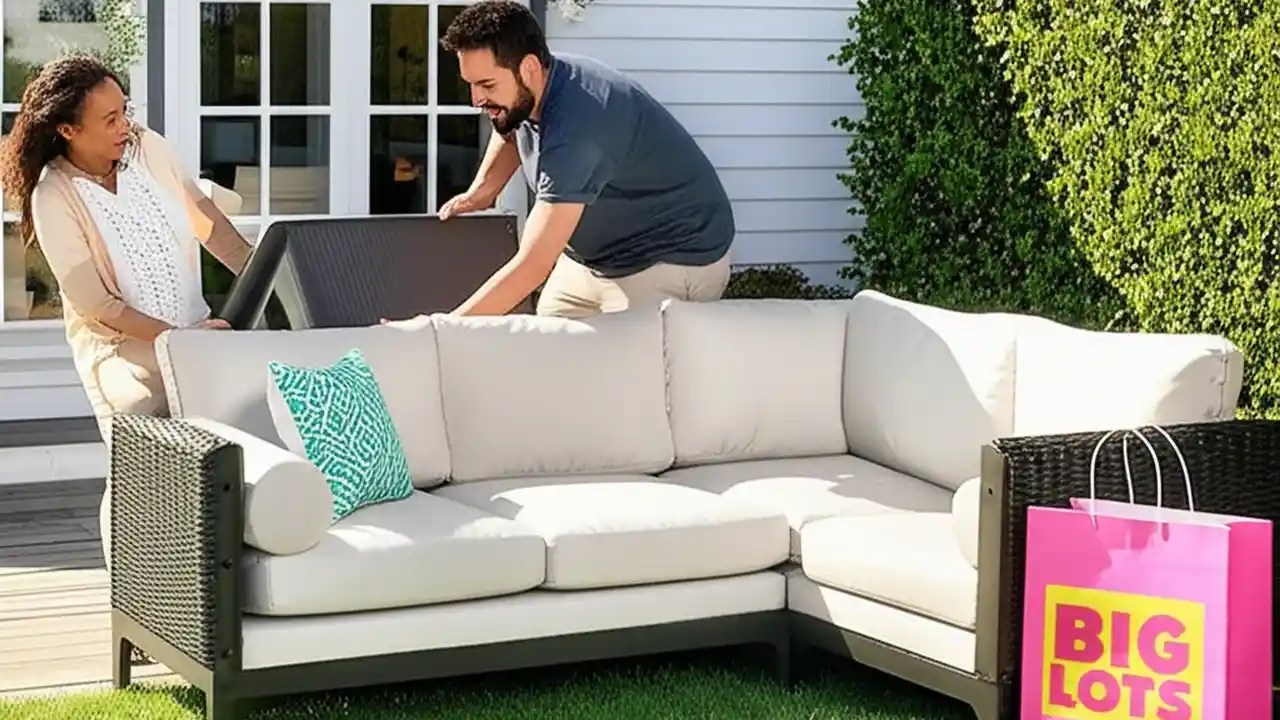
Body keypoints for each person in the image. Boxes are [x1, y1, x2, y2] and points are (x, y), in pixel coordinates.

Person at [0, 55, 253, 587]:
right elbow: (98, 305)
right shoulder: (55, 195)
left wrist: (265, 276)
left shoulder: (147, 148)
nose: (125, 127)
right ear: (68, 130)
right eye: (109, 119)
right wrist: (179, 344)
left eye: (125, 111)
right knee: (150, 465)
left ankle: (213, 583)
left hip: (194, 335)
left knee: (226, 455)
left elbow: (207, 223)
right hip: (125, 355)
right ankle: (138, 593)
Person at [438, 0, 735, 318]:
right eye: (471, 85)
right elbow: (508, 124)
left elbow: (533, 265)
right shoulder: (533, 85)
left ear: (529, 69)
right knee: (548, 348)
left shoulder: (581, 127)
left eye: (486, 85)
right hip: (591, 262)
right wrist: (483, 190)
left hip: (669, 260)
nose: (476, 100)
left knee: (628, 366)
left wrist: (441, 329)